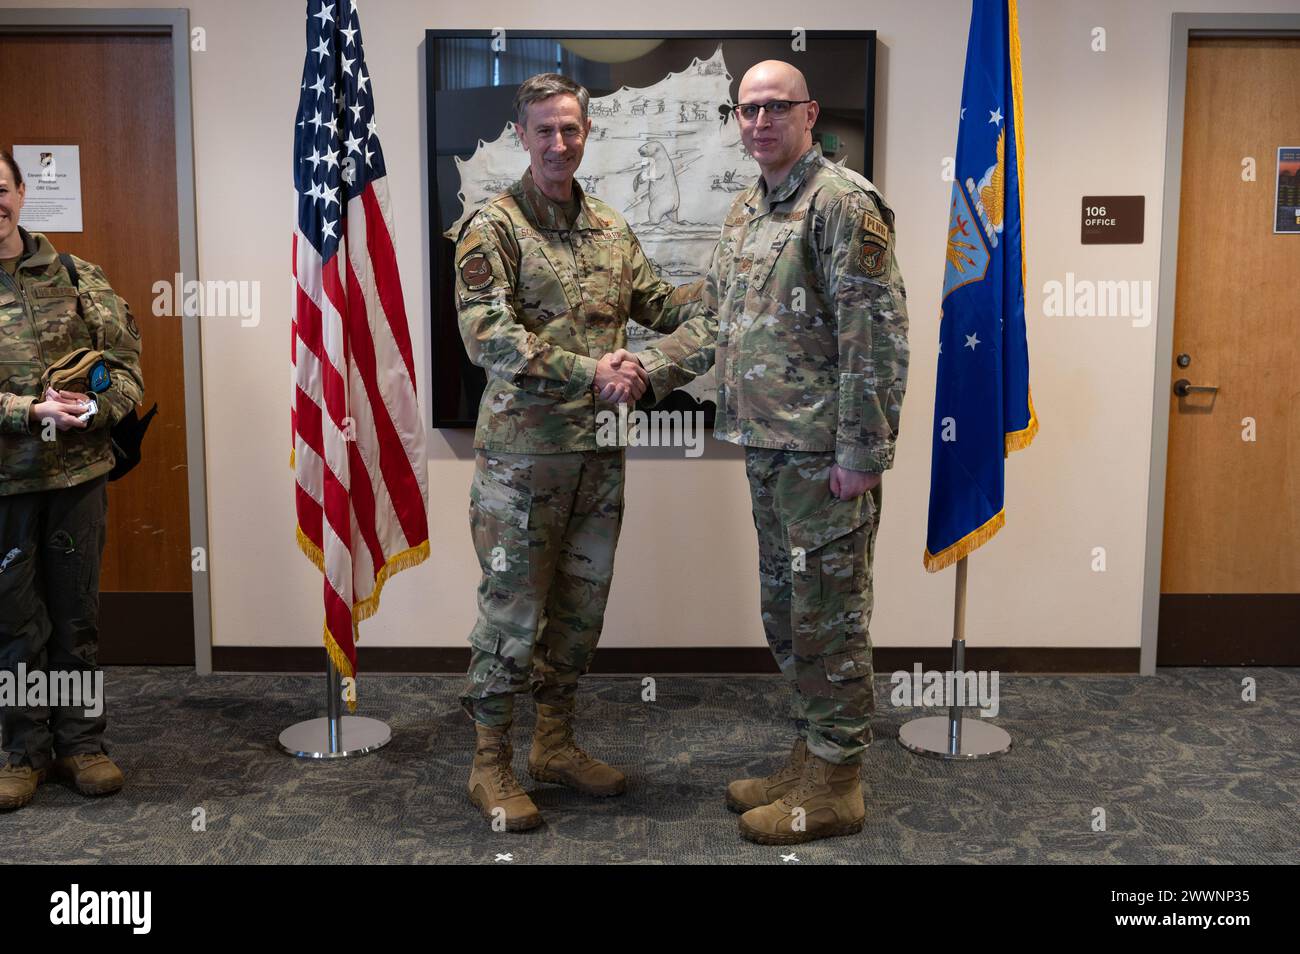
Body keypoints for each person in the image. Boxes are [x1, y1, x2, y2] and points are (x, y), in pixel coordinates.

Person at [630, 61, 910, 844]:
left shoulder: (844, 206)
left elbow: (877, 339)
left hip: (824, 459)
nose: (759, 120)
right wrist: (645, 370)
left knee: (830, 618)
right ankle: (812, 753)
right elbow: (714, 326)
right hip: (767, 451)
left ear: (809, 113)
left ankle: (839, 785)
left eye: (775, 107)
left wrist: (862, 452)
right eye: (747, 108)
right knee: (788, 616)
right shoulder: (749, 210)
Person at [454, 73, 700, 831]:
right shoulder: (491, 227)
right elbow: (485, 335)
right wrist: (591, 369)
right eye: (544, 130)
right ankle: (489, 761)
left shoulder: (611, 228)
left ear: (586, 132)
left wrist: (737, 276)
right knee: (512, 616)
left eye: (571, 129)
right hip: (523, 466)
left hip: (598, 459)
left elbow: (660, 305)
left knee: (579, 613)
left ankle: (553, 745)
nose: (559, 143)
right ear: (521, 136)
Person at [0, 148, 144, 811]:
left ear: (22, 192)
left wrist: (99, 405)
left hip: (76, 477)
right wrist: (25, 411)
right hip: (6, 485)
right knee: (14, 625)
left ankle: (82, 744)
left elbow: (125, 365)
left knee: (77, 618)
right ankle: (23, 751)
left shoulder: (77, 276)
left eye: (1, 188)